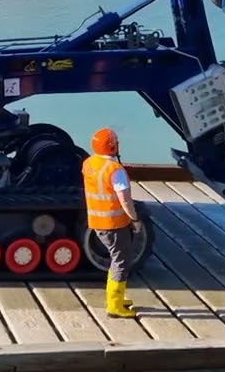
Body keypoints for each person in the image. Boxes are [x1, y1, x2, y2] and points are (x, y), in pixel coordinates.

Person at [81, 128, 144, 319]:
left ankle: (115, 298)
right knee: (122, 262)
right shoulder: (115, 171)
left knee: (115, 260)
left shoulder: (89, 163)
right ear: (112, 146)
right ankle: (115, 305)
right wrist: (135, 219)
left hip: (96, 220)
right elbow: (125, 200)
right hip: (114, 223)